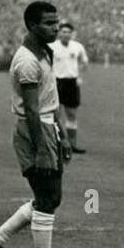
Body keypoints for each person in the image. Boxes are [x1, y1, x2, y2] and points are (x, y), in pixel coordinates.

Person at [0, 1, 78, 248]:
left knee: (47, 197)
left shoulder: (43, 52)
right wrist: (43, 147)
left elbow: (49, 100)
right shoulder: (27, 60)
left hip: (47, 127)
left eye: (57, 22)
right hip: (35, 130)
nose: (55, 28)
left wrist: (62, 135)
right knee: (49, 197)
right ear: (32, 25)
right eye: (48, 23)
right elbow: (33, 110)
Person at [52, 22, 89, 153]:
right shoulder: (51, 47)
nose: (66, 34)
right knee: (55, 115)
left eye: (68, 32)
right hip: (56, 82)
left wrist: (79, 75)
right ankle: (56, 145)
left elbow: (84, 62)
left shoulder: (78, 47)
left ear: (72, 34)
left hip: (71, 83)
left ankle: (72, 145)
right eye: (63, 32)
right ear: (59, 33)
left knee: (71, 114)